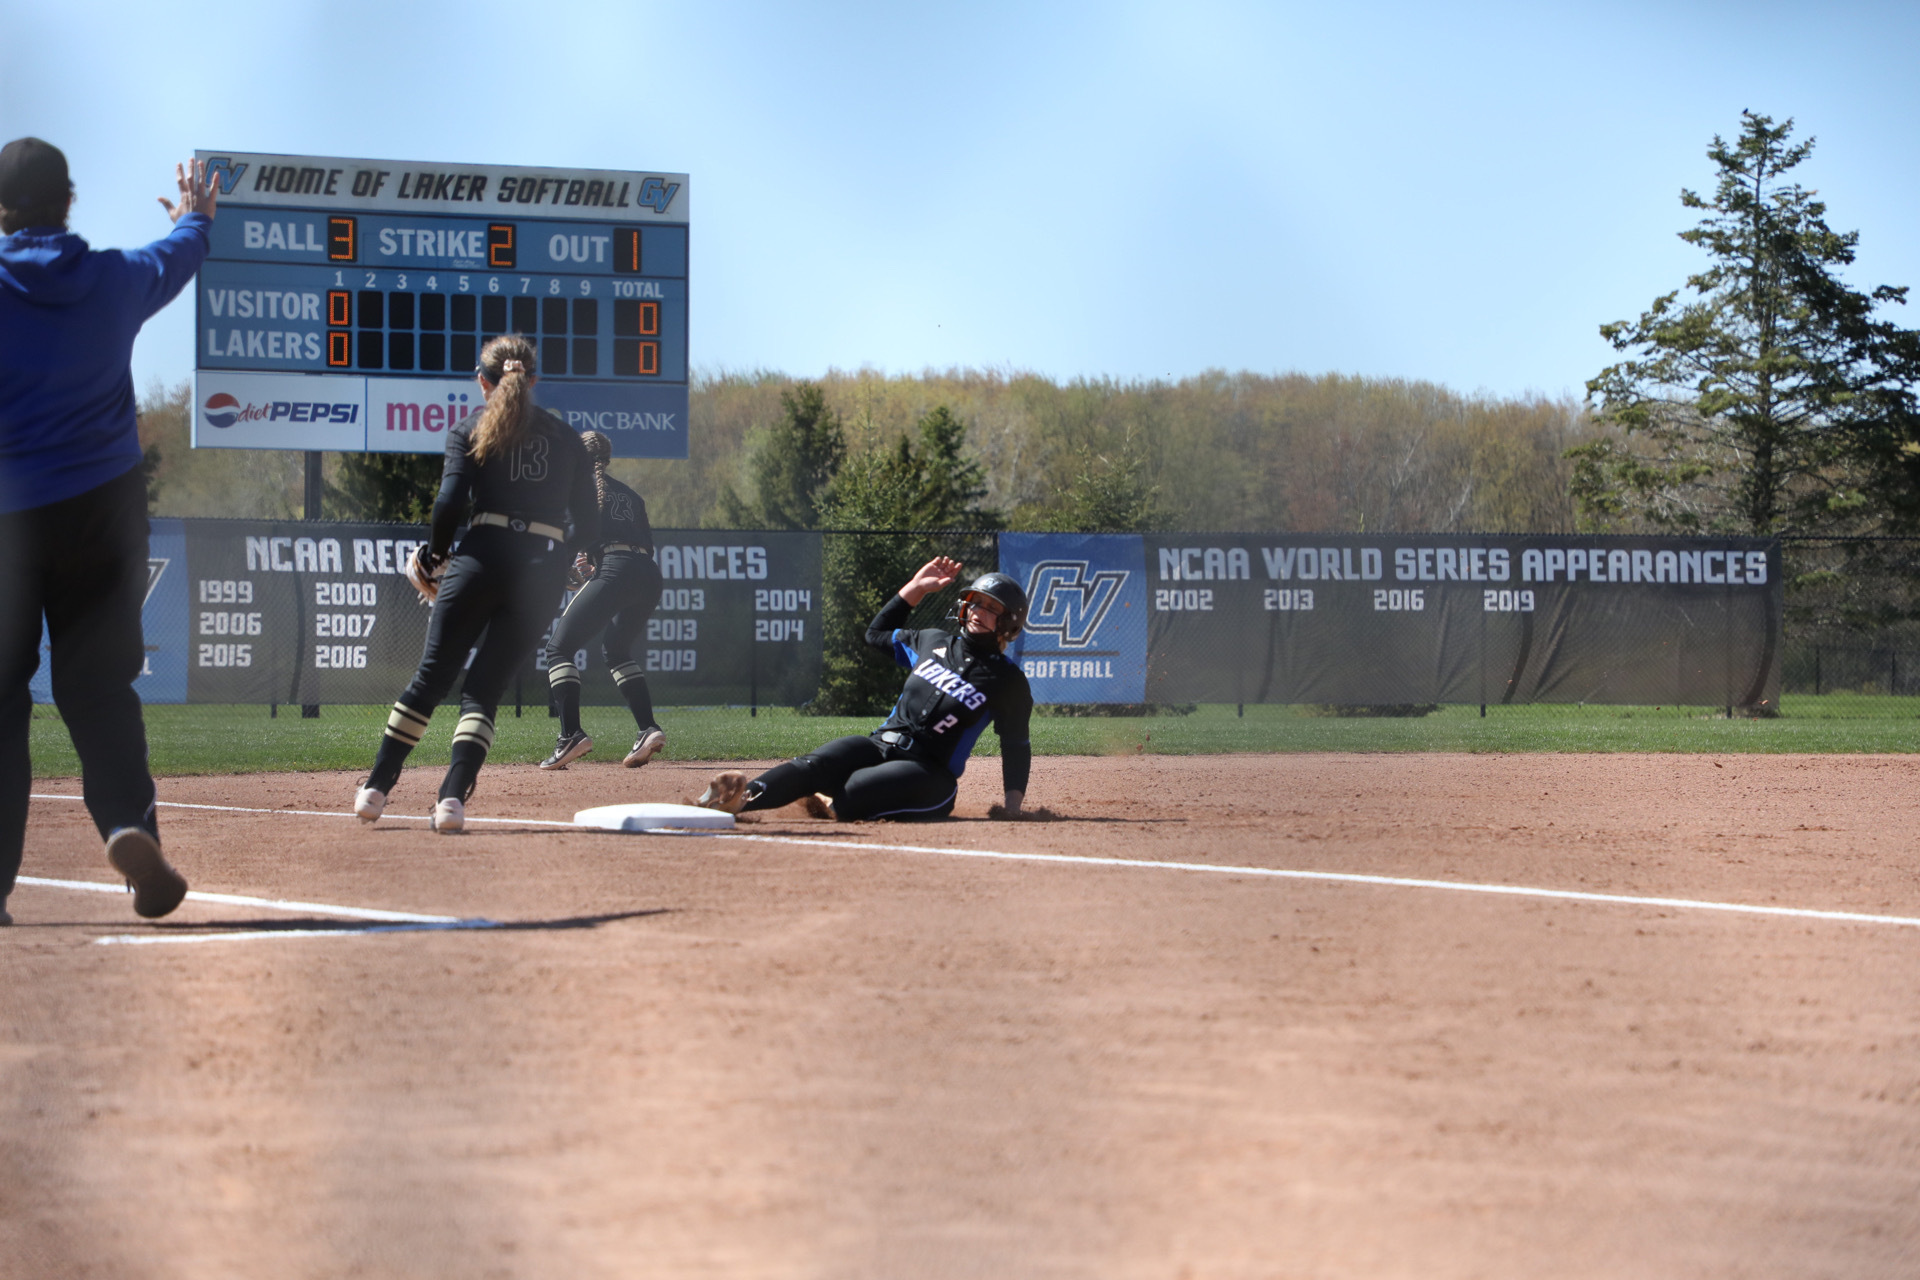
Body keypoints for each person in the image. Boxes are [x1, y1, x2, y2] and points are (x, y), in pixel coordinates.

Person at [0, 140, 212, 924]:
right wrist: (196, 216)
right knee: (98, 688)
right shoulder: (116, 280)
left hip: (7, 513)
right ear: (71, 198)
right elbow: (180, 251)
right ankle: (129, 828)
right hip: (102, 506)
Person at [353, 335, 597, 833]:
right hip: (541, 570)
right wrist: (571, 559)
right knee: (483, 690)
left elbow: (448, 506)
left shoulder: (470, 427)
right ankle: (451, 801)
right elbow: (588, 525)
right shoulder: (569, 438)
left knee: (430, 678)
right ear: (534, 382)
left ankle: (376, 788)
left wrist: (435, 556)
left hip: (482, 556)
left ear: (483, 382)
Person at [697, 557, 1034, 821]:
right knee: (812, 765)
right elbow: (875, 634)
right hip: (878, 746)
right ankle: (736, 800)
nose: (978, 611)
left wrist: (1012, 806)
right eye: (976, 602)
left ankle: (833, 799)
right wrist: (915, 588)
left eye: (992, 608)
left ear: (1009, 622)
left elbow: (1015, 745)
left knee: (854, 793)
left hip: (929, 776)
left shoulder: (1008, 681)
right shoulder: (933, 640)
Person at [537, 430, 668, 770]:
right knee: (616, 649)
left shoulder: (578, 489)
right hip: (649, 574)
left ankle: (570, 736)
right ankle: (648, 729)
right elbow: (643, 547)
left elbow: (571, 541)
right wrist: (597, 561)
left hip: (617, 569)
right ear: (607, 457)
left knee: (558, 649)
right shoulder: (631, 495)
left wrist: (571, 568)